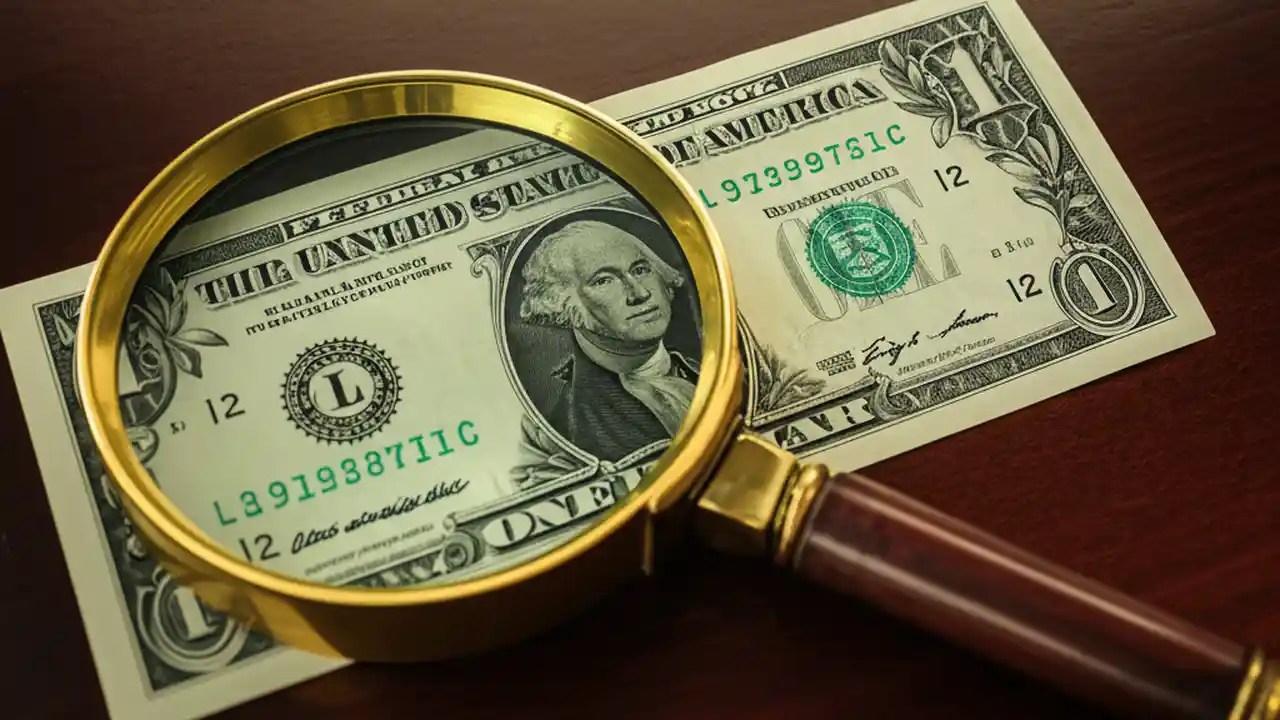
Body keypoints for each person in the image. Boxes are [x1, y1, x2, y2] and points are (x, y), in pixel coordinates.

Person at [517, 219, 698, 461]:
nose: (640, 294)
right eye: (603, 280)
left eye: (640, 270)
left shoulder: (696, 368)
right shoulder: (572, 428)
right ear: (563, 303)